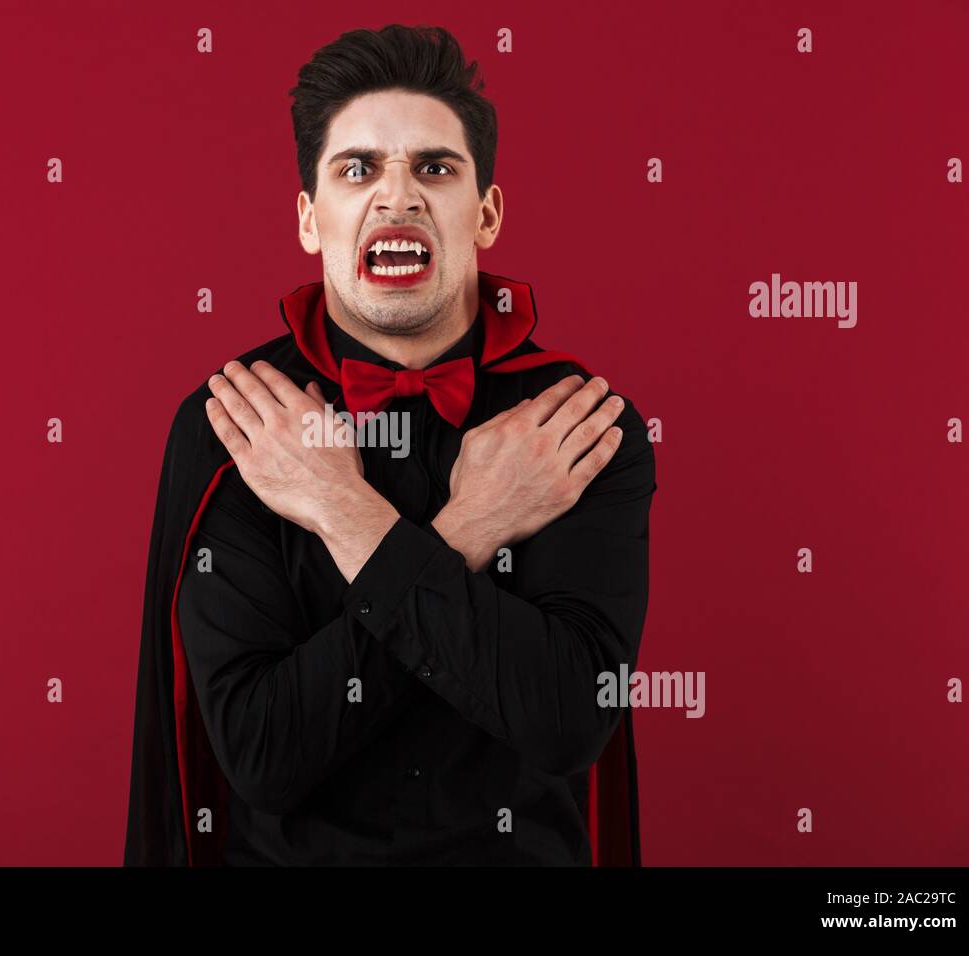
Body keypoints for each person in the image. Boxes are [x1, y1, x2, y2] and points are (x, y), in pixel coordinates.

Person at [124, 23, 656, 866]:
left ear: (485, 214)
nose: (397, 196)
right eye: (358, 168)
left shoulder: (578, 424)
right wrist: (470, 536)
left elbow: (565, 721)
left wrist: (342, 511)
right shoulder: (234, 422)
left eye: (435, 168)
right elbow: (261, 753)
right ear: (309, 219)